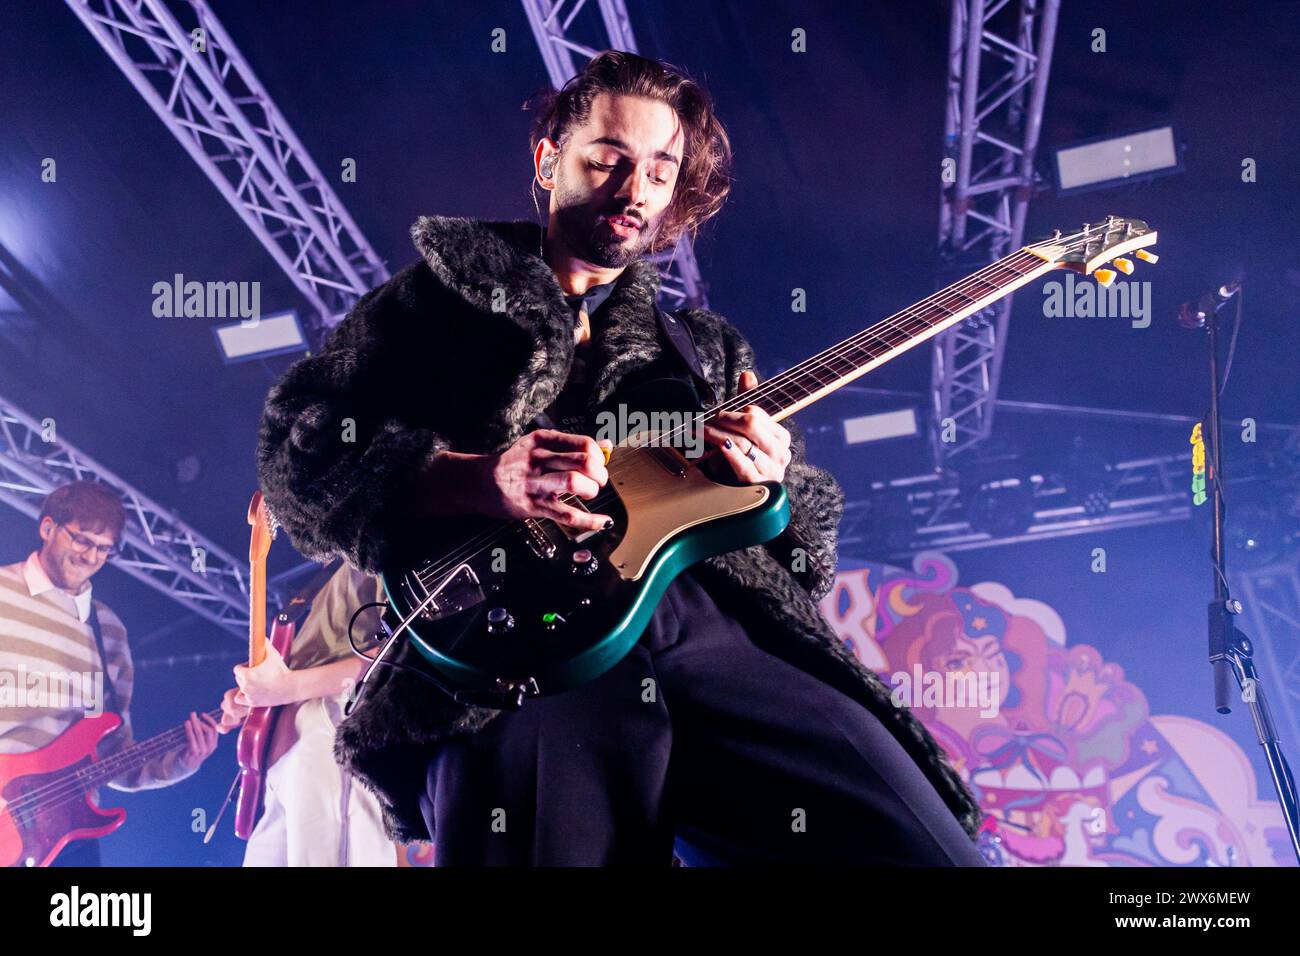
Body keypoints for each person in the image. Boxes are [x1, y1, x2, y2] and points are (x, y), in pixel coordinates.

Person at [256, 50, 984, 865]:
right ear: (549, 159)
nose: (633, 190)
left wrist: (775, 480)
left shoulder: (702, 346)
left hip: (716, 628)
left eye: (659, 171)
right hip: (514, 649)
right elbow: (298, 451)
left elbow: (801, 557)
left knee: (924, 850)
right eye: (606, 159)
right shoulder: (437, 303)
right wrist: (478, 478)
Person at [0, 480, 224, 866]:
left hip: (68, 835)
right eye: (83, 540)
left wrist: (182, 762)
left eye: (105, 548)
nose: (92, 557)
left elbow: (114, 754)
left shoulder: (109, 630)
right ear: (48, 528)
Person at [218, 562, 400, 866]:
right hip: (286, 750)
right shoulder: (341, 554)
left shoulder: (392, 535)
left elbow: (404, 652)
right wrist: (256, 697)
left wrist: (288, 687)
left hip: (334, 726)